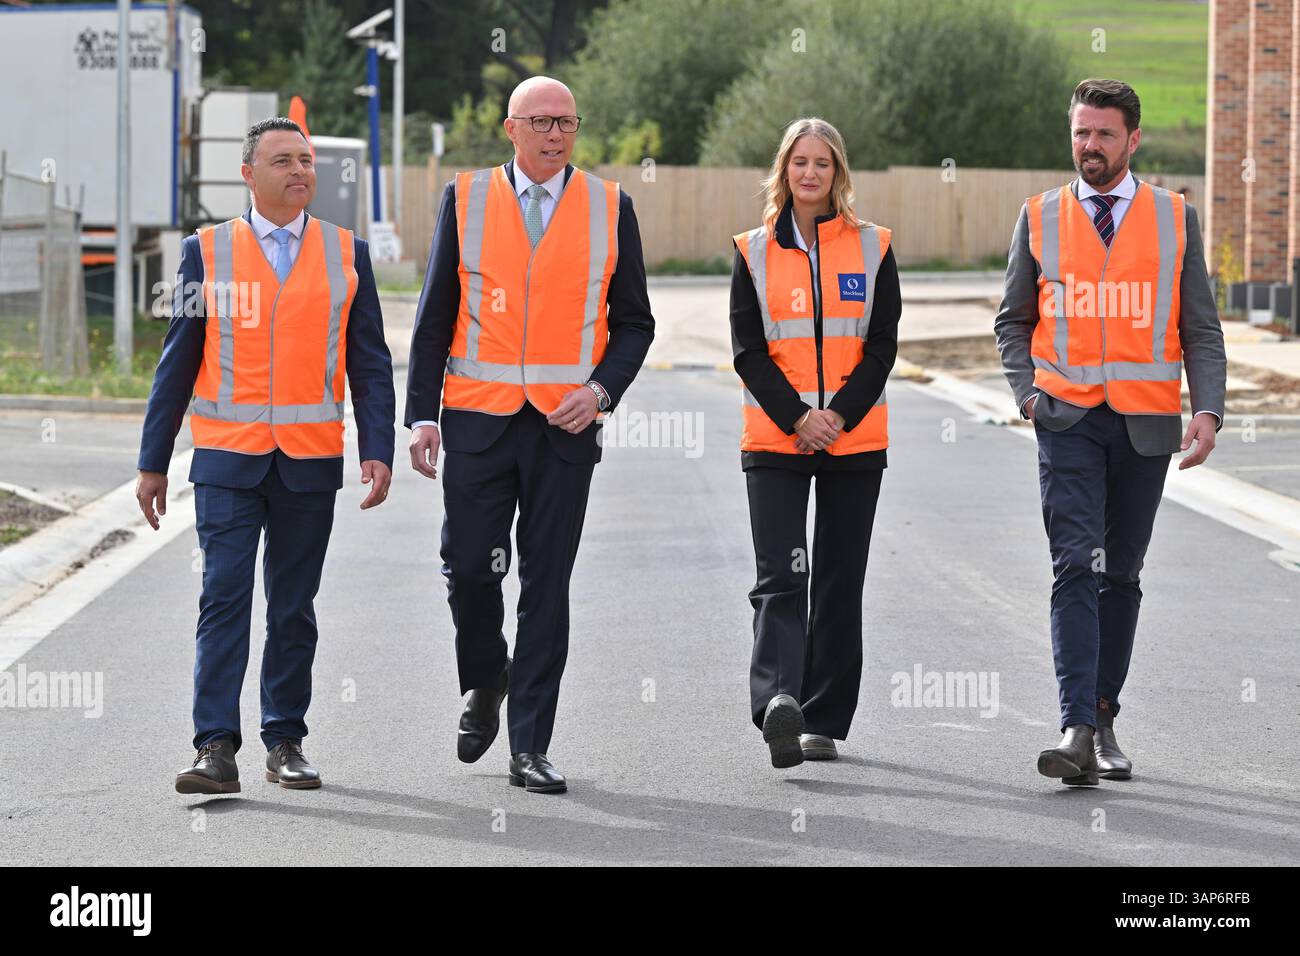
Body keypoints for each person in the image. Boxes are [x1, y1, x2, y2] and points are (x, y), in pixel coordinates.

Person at [406, 76, 654, 793]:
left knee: (547, 583)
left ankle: (529, 746)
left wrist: (600, 389)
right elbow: (433, 317)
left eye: (567, 122)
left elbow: (635, 322)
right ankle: (486, 679)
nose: (555, 134)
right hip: (478, 423)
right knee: (470, 570)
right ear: (510, 129)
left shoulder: (611, 207)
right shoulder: (466, 198)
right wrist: (422, 412)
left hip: (561, 431)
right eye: (541, 121)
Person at [136, 117, 396, 795]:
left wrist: (378, 447)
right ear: (248, 174)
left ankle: (285, 741)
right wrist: (153, 460)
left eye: (306, 160)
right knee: (223, 597)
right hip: (227, 459)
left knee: (293, 606)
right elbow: (177, 360)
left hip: (308, 462)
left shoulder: (348, 254)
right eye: (283, 160)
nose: (300, 171)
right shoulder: (206, 252)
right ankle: (215, 748)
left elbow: (369, 362)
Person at [993, 79, 1226, 786]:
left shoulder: (1173, 218)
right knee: (1075, 564)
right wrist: (1028, 395)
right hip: (1066, 419)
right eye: (1080, 132)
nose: (1088, 146)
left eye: (1102, 134)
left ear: (1133, 139)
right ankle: (1075, 729)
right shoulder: (1039, 216)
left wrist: (1208, 410)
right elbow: (1012, 321)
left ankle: (1103, 714)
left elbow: (1200, 328)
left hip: (1146, 426)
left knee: (1119, 574)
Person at [730, 117, 900, 768]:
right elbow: (749, 352)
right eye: (799, 162)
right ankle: (779, 702)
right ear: (783, 169)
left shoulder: (874, 246)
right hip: (775, 438)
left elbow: (881, 347)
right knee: (780, 575)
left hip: (854, 442)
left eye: (822, 163)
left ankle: (823, 719)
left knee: (836, 579)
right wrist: (801, 417)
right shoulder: (751, 251)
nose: (809, 173)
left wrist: (837, 418)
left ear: (838, 174)